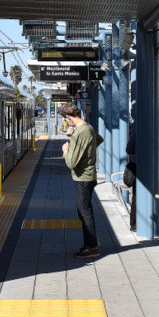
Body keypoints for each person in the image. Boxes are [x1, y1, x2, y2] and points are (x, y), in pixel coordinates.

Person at [60, 102, 104, 258]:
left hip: (83, 177)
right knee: (84, 212)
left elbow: (71, 163)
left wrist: (66, 151)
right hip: (88, 176)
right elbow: (99, 139)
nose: (67, 123)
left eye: (66, 120)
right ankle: (89, 245)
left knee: (85, 213)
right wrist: (85, 150)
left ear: (70, 117)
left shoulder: (80, 132)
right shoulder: (88, 128)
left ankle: (92, 247)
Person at [124, 126, 159, 231]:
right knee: (154, 195)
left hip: (139, 168)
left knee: (136, 195)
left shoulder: (136, 135)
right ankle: (152, 223)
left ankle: (134, 224)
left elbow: (129, 150)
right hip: (156, 169)